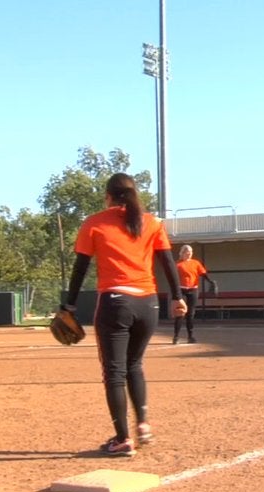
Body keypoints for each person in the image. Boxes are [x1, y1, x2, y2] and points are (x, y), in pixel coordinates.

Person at [61, 173, 186, 457]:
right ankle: (142, 425)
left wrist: (68, 304)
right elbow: (167, 260)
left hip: (116, 302)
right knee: (134, 365)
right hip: (148, 304)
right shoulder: (152, 222)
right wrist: (178, 297)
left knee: (114, 373)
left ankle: (122, 439)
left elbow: (80, 268)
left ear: (108, 196)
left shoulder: (94, 222)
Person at [173, 244, 216, 344]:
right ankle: (176, 336)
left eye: (191, 252)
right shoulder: (177, 264)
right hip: (181, 290)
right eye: (187, 252)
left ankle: (190, 336)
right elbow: (173, 278)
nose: (189, 254)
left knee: (190, 314)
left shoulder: (195, 263)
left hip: (193, 290)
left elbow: (203, 274)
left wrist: (210, 281)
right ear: (182, 253)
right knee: (180, 312)